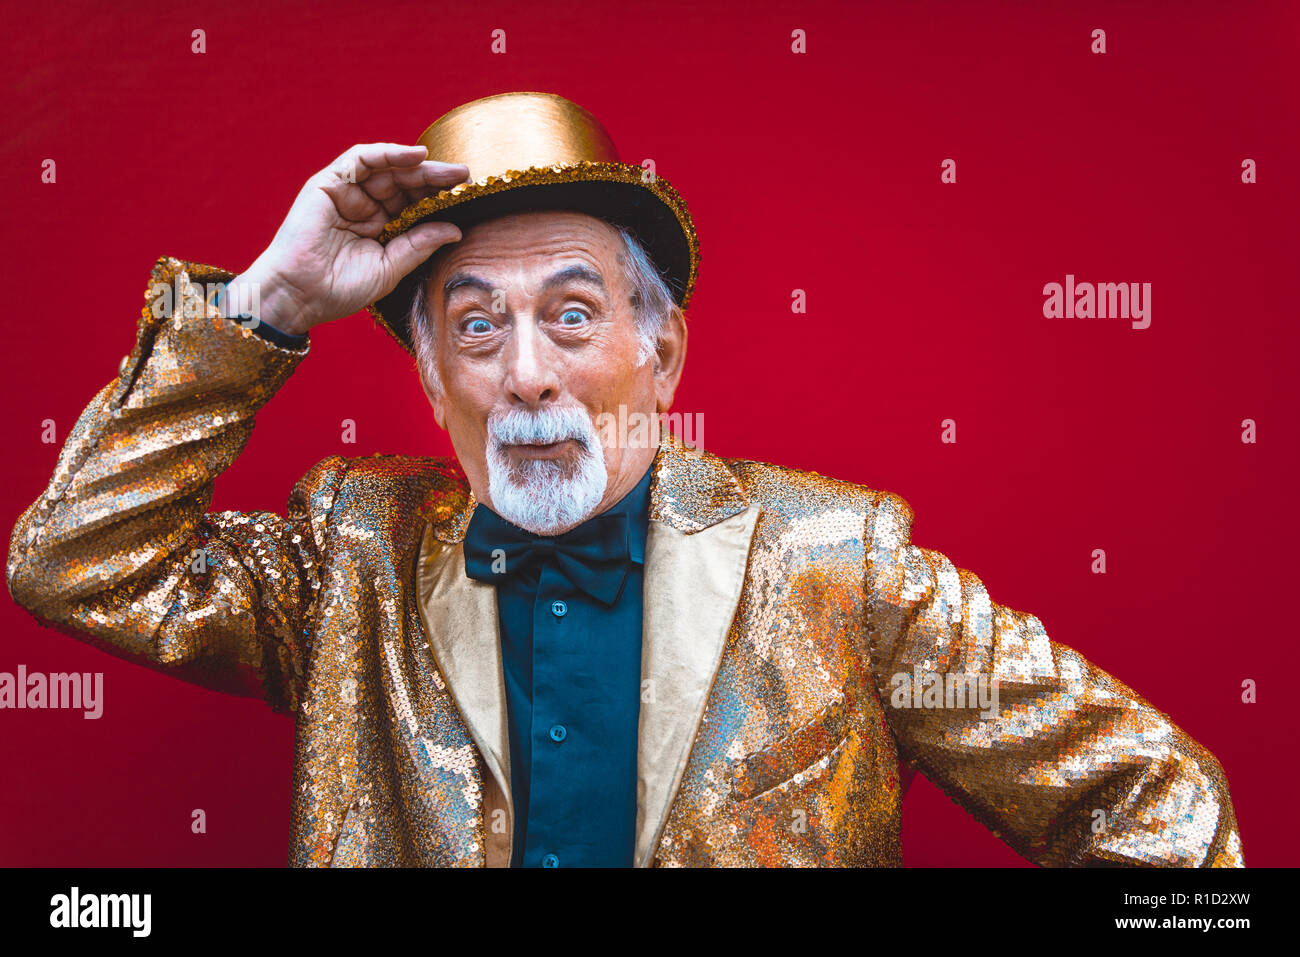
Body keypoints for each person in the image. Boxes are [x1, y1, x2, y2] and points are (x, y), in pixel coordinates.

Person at [7, 92, 1243, 867]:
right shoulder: (351, 556)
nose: (529, 374)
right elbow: (74, 562)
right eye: (478, 328)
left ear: (662, 353)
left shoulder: (841, 563)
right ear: (431, 373)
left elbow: (1156, 805)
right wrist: (267, 303)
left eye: (575, 315)